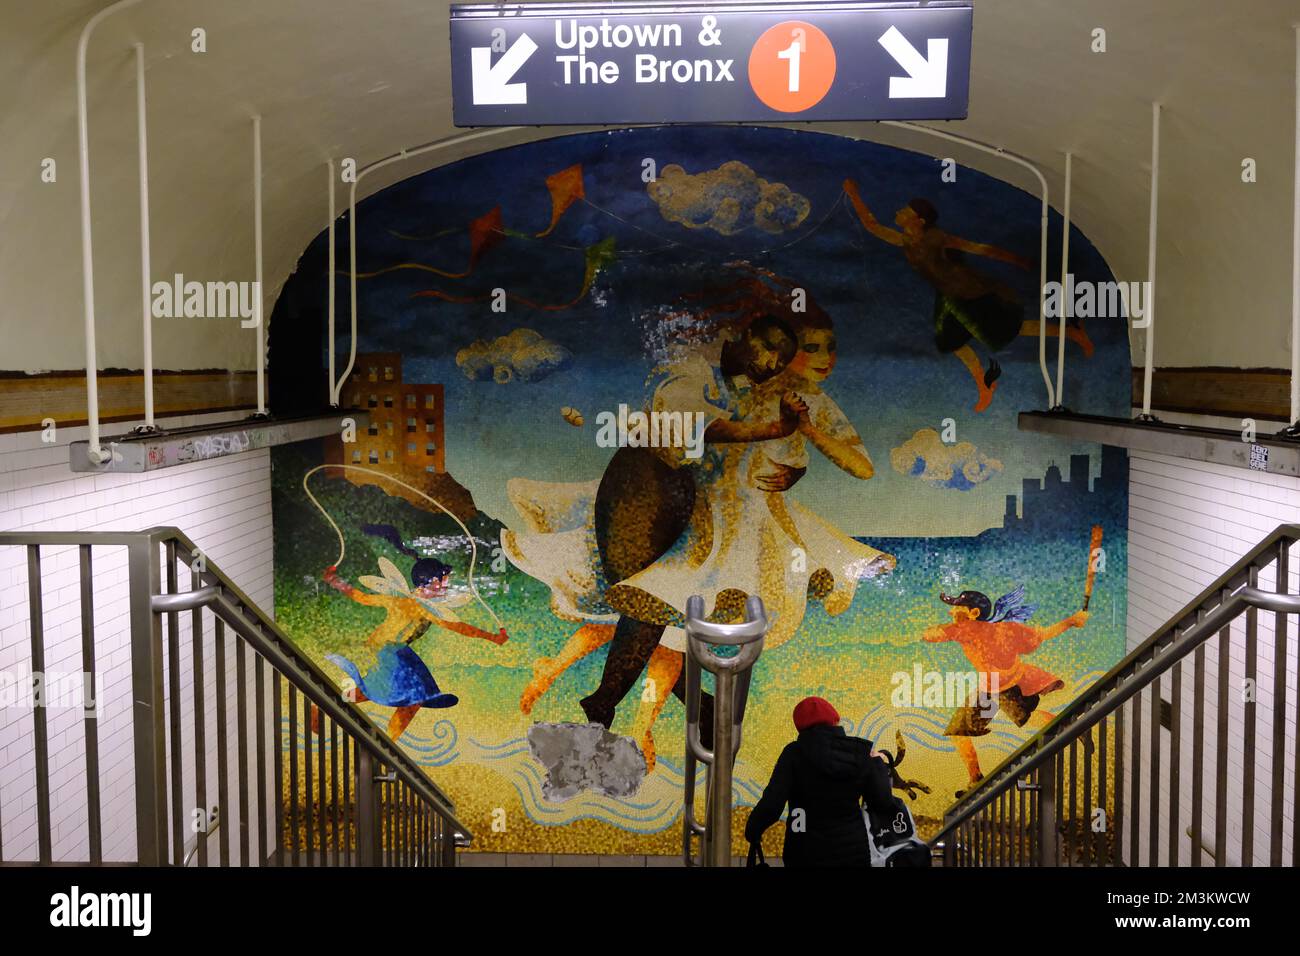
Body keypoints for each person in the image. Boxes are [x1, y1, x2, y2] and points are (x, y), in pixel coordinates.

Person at [843, 180, 1093, 412]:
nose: (898, 212)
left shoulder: (936, 237)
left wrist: (1016, 259)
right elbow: (872, 225)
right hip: (948, 297)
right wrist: (854, 195)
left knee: (1009, 329)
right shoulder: (905, 241)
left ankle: (1071, 333)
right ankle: (984, 385)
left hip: (969, 291)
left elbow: (977, 248)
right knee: (951, 342)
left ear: (918, 219)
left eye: (904, 210)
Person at [921, 586, 1088, 794]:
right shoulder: (1007, 629)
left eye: (957, 608)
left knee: (964, 731)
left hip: (1003, 689)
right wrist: (1072, 621)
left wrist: (923, 632)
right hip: (997, 686)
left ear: (974, 613)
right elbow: (1043, 634)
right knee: (962, 731)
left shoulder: (967, 628)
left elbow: (931, 635)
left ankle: (975, 780)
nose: (951, 612)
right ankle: (975, 780)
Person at [744, 696, 895, 867]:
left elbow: (772, 803)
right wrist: (877, 764)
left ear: (800, 726)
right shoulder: (857, 752)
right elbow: (883, 802)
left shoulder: (793, 754)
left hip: (803, 852)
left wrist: (753, 831)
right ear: (834, 720)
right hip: (852, 853)